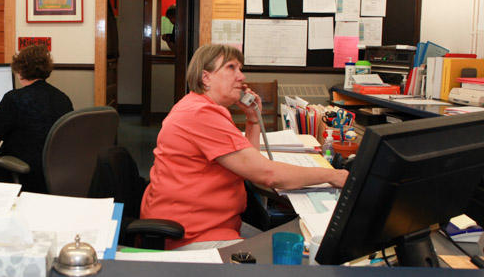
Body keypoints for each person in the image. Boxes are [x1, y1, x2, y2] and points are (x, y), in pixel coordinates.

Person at [140, 44, 348, 250]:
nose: (241, 76)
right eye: (231, 67)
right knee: (288, 257)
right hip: (191, 232)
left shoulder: (201, 107)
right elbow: (267, 174)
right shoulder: (201, 114)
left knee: (289, 246)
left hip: (214, 223)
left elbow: (249, 163)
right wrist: (333, 176)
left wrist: (252, 119)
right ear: (206, 78)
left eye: (240, 69)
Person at [0, 44, 74, 193]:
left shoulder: (14, 99)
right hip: (58, 171)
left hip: (26, 171)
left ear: (20, 70)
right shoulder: (62, 98)